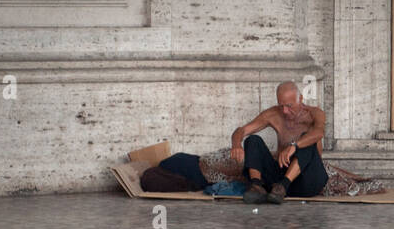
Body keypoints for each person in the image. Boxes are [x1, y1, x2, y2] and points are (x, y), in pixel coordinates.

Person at [138, 81, 328, 203]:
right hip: (278, 182)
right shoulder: (274, 114)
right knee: (253, 140)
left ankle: (283, 186)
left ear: (301, 99)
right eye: (281, 105)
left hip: (306, 180)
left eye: (289, 105)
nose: (285, 111)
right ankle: (257, 187)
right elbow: (242, 130)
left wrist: (294, 146)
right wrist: (237, 144)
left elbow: (319, 132)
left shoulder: (314, 114)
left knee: (307, 140)